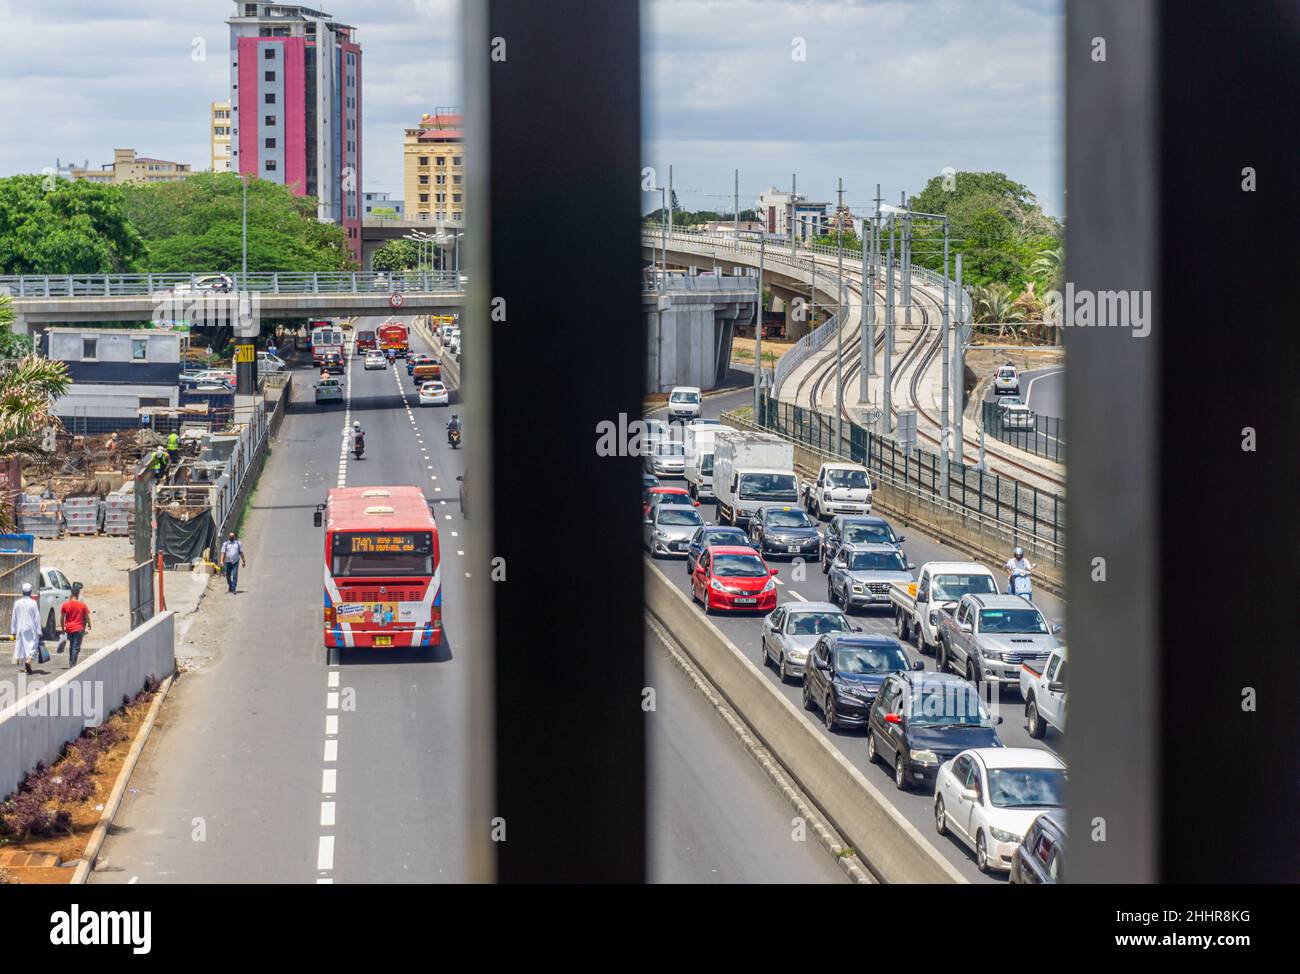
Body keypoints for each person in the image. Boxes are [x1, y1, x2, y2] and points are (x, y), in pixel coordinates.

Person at [10, 581, 42, 675]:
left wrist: (13, 631)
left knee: (23, 647)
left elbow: (14, 618)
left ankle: (26, 666)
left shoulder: (17, 603)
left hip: (20, 628)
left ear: (22, 592)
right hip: (31, 628)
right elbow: (37, 618)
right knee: (34, 645)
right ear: (30, 592)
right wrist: (39, 630)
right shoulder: (33, 603)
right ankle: (29, 660)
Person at [59, 583, 91, 667]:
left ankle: (71, 661)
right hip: (78, 629)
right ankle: (72, 664)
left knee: (72, 645)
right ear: (78, 594)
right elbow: (86, 616)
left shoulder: (65, 605)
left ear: (71, 594)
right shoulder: (82, 605)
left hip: (69, 629)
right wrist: (89, 624)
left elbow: (62, 618)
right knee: (76, 647)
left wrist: (63, 629)